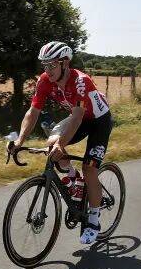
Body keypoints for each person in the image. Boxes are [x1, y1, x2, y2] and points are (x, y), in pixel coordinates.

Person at [12, 41, 112, 246]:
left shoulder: (81, 81)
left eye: (52, 65)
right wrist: (19, 140)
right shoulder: (44, 81)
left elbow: (77, 117)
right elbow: (33, 112)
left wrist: (62, 144)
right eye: (45, 65)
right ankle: (75, 179)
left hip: (98, 121)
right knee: (51, 143)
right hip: (78, 118)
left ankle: (93, 221)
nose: (47, 70)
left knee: (90, 168)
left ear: (65, 63)